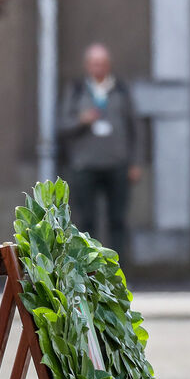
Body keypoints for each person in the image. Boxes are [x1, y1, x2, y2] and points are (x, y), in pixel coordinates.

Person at [58, 43, 142, 262]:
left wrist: (135, 163)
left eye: (103, 63)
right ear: (87, 65)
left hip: (117, 164)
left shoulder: (121, 90)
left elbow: (135, 128)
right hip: (84, 165)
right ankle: (87, 271)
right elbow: (61, 126)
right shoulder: (76, 90)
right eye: (95, 63)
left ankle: (117, 272)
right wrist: (81, 121)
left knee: (118, 220)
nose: (99, 68)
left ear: (109, 65)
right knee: (86, 221)